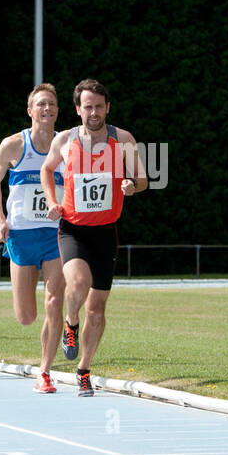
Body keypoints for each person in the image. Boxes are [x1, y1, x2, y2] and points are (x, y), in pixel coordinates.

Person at [40, 79, 149, 396]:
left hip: (106, 232)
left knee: (98, 309)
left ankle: (83, 369)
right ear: (78, 109)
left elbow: (142, 179)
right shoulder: (65, 140)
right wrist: (51, 201)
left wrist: (132, 186)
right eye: (88, 106)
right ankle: (69, 322)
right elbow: (48, 171)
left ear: (107, 108)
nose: (94, 112)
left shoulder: (123, 139)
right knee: (77, 284)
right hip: (73, 228)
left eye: (99, 106)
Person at [0, 83, 66, 394]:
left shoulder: (68, 145)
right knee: (26, 316)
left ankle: (45, 371)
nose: (47, 109)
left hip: (55, 234)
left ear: (57, 110)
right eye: (41, 105)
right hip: (21, 236)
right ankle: (44, 342)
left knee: (54, 300)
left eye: (51, 104)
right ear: (30, 111)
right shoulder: (13, 145)